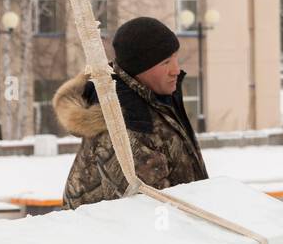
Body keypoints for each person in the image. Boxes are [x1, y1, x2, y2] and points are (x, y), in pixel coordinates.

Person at [55, 16, 209, 209]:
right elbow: (149, 208)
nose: (176, 70)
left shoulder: (155, 99)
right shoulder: (127, 121)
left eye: (176, 57)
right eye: (166, 62)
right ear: (140, 68)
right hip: (124, 236)